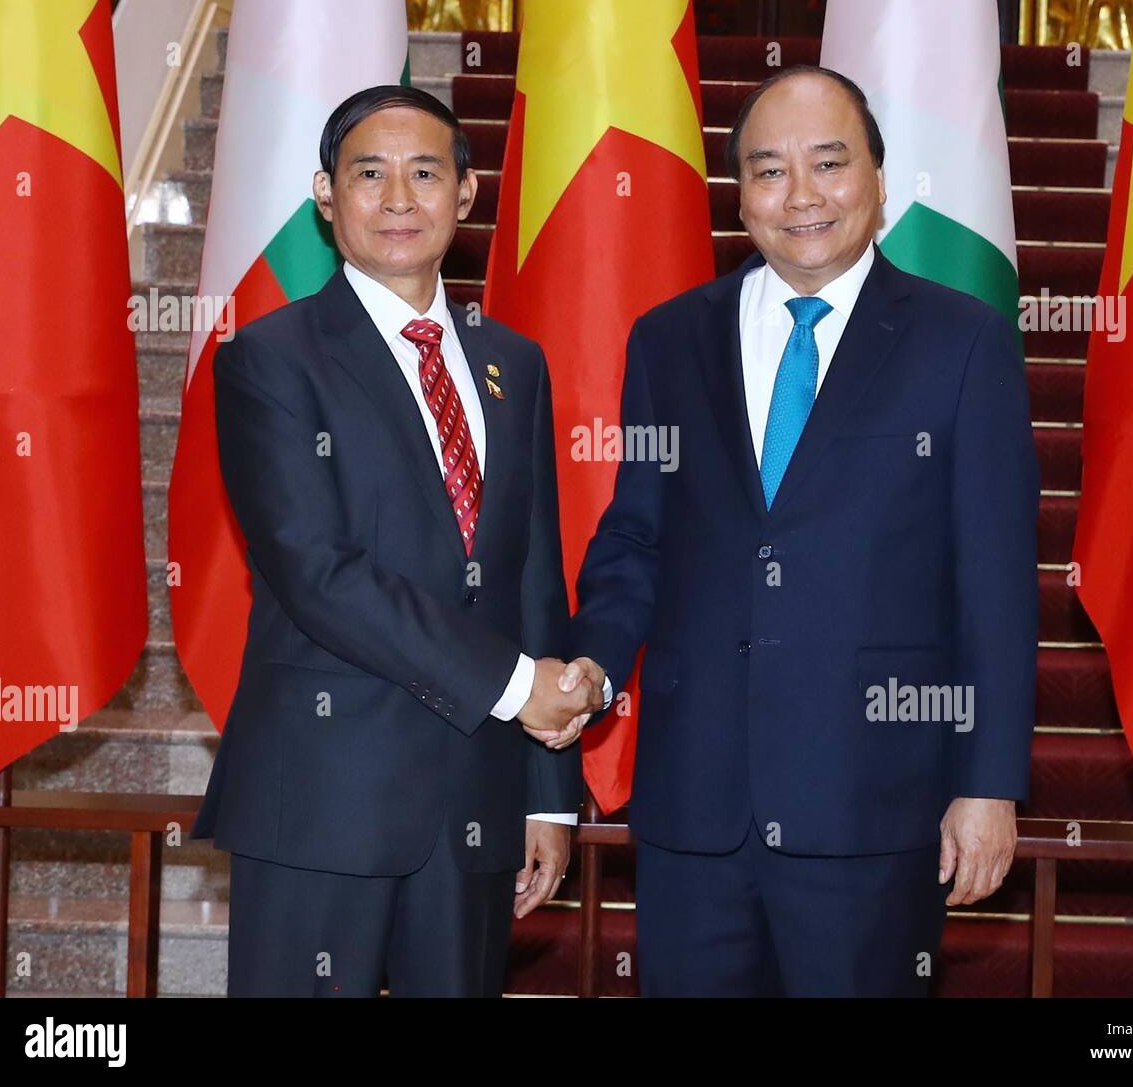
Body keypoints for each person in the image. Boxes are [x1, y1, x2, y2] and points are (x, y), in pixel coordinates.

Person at [551, 66, 1039, 996]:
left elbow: (996, 582)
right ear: (741, 195)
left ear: (879, 181)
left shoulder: (964, 342)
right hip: (695, 810)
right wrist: (594, 666)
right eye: (770, 170)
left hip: (872, 807)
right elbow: (637, 538)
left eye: (829, 163)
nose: (802, 194)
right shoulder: (668, 340)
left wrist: (987, 782)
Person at [190, 85, 604, 997]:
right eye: (368, 174)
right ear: (325, 196)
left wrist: (546, 791)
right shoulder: (270, 358)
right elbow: (318, 573)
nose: (398, 199)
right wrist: (516, 687)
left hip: (475, 808)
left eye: (424, 173)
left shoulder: (513, 361)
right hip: (322, 800)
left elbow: (534, 575)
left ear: (466, 193)